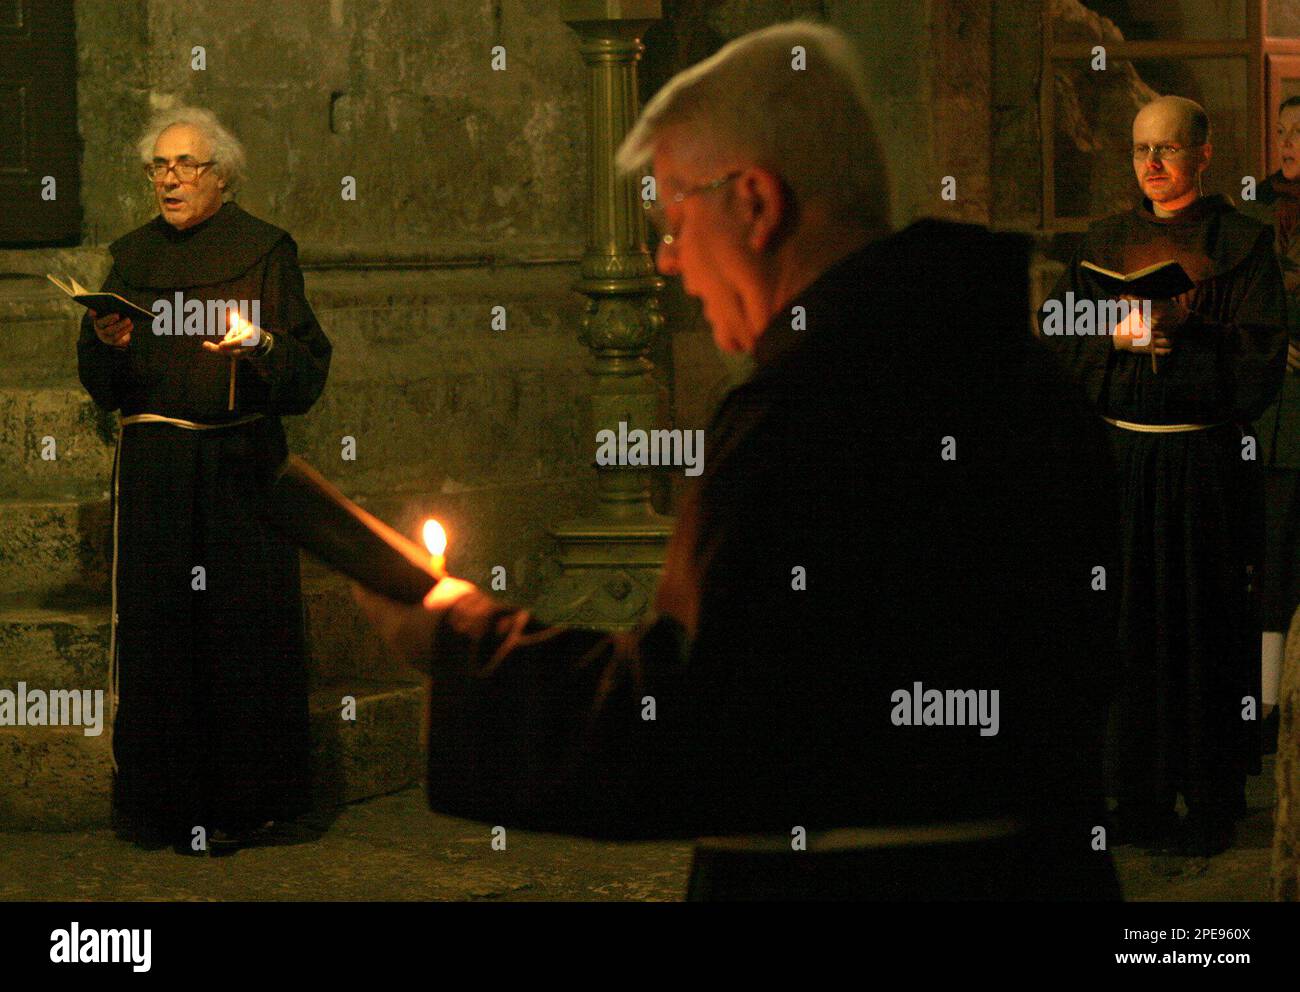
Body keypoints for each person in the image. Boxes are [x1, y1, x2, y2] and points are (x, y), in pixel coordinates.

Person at [356, 21, 1121, 899]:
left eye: (671, 215)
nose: (669, 261)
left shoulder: (809, 413)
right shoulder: (1016, 368)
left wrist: (464, 640)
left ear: (755, 203)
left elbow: (706, 728)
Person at [77, 106, 332, 853]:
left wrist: (260, 343)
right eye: (160, 166)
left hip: (238, 472)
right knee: (162, 636)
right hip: (157, 473)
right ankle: (161, 807)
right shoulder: (130, 258)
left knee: (240, 634)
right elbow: (98, 381)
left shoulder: (265, 252)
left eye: (186, 164)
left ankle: (246, 804)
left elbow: (308, 372)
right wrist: (106, 340)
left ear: (222, 176)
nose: (170, 178)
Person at [1039, 95, 1287, 856]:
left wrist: (1191, 331)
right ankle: (1135, 793)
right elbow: (1059, 336)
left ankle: (1209, 794)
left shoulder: (1241, 243)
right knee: (1125, 625)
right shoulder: (1106, 239)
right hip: (1121, 462)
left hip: (1202, 465)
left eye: (1168, 149)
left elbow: (1260, 364)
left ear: (1203, 155)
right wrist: (1111, 338)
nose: (1151, 164)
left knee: (1203, 623)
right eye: (1141, 149)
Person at [1238, 95, 1300, 752]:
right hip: (1269, 419)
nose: (1287, 141)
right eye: (1280, 129)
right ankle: (1266, 703)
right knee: (1270, 564)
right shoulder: (1251, 212)